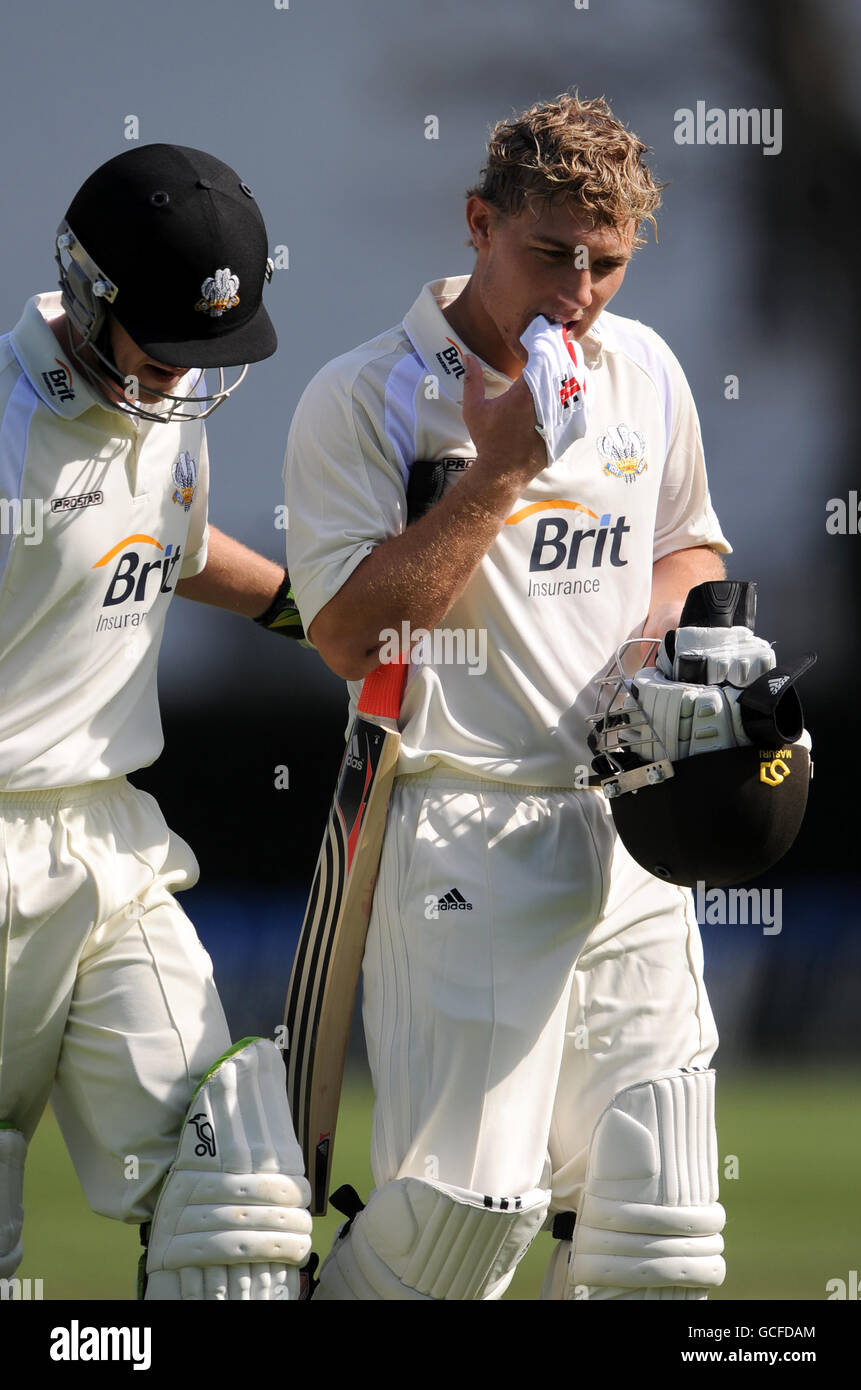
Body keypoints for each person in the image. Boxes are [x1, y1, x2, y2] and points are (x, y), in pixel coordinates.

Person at [283, 93, 733, 1301]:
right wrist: (502, 467)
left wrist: (670, 648)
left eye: (608, 263)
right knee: (459, 1227)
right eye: (550, 255)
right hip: (459, 827)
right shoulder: (361, 394)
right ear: (479, 222)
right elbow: (344, 635)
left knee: (659, 1229)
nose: (579, 292)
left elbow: (686, 546)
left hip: (627, 822)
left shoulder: (641, 365)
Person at [0, 143, 311, 1301]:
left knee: (234, 1192)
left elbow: (166, 548)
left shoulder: (163, 405)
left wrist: (315, 614)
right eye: (169, 347)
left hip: (112, 845)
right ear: (87, 295)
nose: (183, 378)